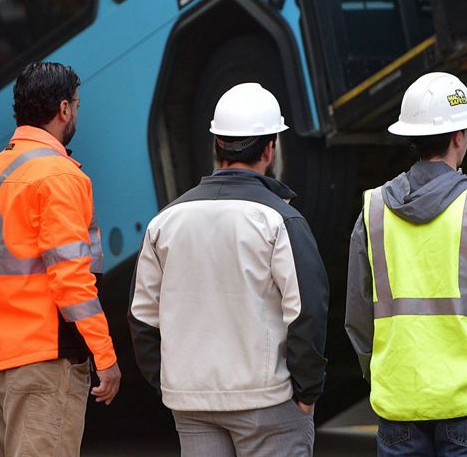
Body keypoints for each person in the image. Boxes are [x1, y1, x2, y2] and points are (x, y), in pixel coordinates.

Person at [128, 82, 328, 457]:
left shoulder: (164, 222)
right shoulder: (280, 220)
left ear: (217, 144)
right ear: (270, 148)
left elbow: (142, 318)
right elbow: (307, 312)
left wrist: (172, 382)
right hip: (267, 400)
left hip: (191, 404)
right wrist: (307, 390)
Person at [346, 71, 467, 457]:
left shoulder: (373, 211)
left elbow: (358, 317)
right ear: (460, 136)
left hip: (399, 400)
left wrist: (381, 372)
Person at [0, 62, 120, 457]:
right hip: (45, 360)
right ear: (64, 109)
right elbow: (72, 281)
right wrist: (105, 355)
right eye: (76, 105)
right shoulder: (59, 177)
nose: (76, 112)